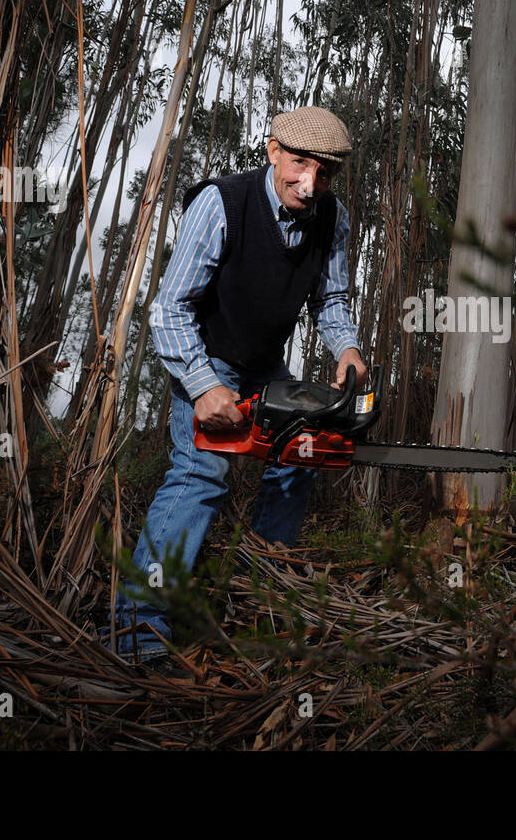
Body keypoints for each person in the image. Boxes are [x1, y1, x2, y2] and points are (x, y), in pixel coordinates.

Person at [106, 106, 368, 661]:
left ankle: (258, 599)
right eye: (299, 164)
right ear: (273, 150)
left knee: (303, 453)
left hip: (265, 364)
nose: (309, 182)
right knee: (200, 472)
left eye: (324, 172)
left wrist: (345, 347)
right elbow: (170, 310)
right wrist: (203, 387)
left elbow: (331, 299)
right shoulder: (220, 204)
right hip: (208, 356)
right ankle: (137, 633)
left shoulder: (333, 216)